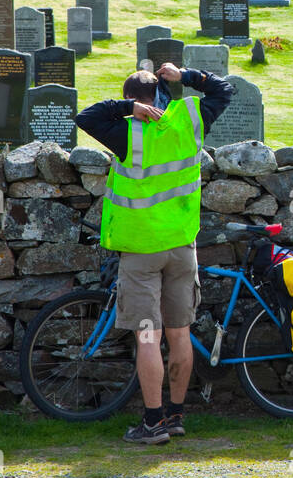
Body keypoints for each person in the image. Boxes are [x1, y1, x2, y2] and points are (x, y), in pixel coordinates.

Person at [75, 62, 232, 444]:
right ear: (163, 95)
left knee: (148, 337)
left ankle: (153, 422)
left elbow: (86, 116)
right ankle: (176, 418)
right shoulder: (189, 120)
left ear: (133, 101)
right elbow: (224, 90)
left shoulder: (126, 132)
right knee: (179, 334)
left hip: (142, 248)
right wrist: (186, 75)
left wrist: (129, 110)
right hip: (182, 245)